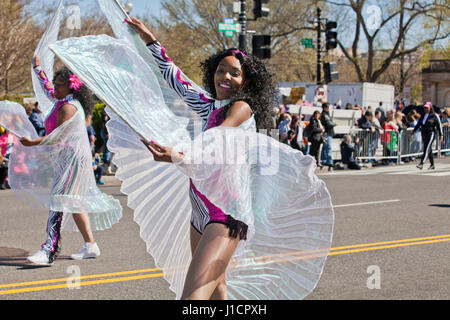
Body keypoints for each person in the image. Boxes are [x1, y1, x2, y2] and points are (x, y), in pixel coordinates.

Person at [114, 16, 335, 300]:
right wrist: (149, 39)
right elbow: (175, 79)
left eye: (234, 73)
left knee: (192, 299)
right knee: (218, 290)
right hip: (199, 211)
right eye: (220, 70)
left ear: (246, 82)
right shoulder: (209, 106)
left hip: (226, 216)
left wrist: (178, 156)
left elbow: (218, 139)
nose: (225, 77)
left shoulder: (240, 109)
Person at [17, 55, 122, 265]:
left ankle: (48, 250)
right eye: (55, 84)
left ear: (70, 87)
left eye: (59, 85)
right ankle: (90, 245)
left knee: (58, 200)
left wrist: (31, 143)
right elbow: (48, 88)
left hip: (72, 161)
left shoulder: (68, 107)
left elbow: (56, 137)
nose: (54, 89)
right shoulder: (63, 99)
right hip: (70, 158)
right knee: (72, 202)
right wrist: (38, 69)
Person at [413, 102, 443, 170]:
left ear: (430, 108)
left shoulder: (434, 115)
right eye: (424, 108)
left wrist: (441, 135)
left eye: (427, 108)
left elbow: (439, 125)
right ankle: (432, 165)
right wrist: (413, 131)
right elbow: (419, 124)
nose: (425, 109)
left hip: (431, 133)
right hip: (424, 133)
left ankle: (421, 163)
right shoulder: (423, 115)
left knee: (426, 148)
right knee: (429, 150)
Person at [320, 103, 335, 169]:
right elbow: (328, 123)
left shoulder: (326, 114)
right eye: (327, 107)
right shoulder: (324, 115)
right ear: (325, 108)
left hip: (327, 132)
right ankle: (329, 161)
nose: (328, 108)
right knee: (328, 146)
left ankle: (324, 160)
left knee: (325, 146)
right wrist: (334, 124)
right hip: (327, 132)